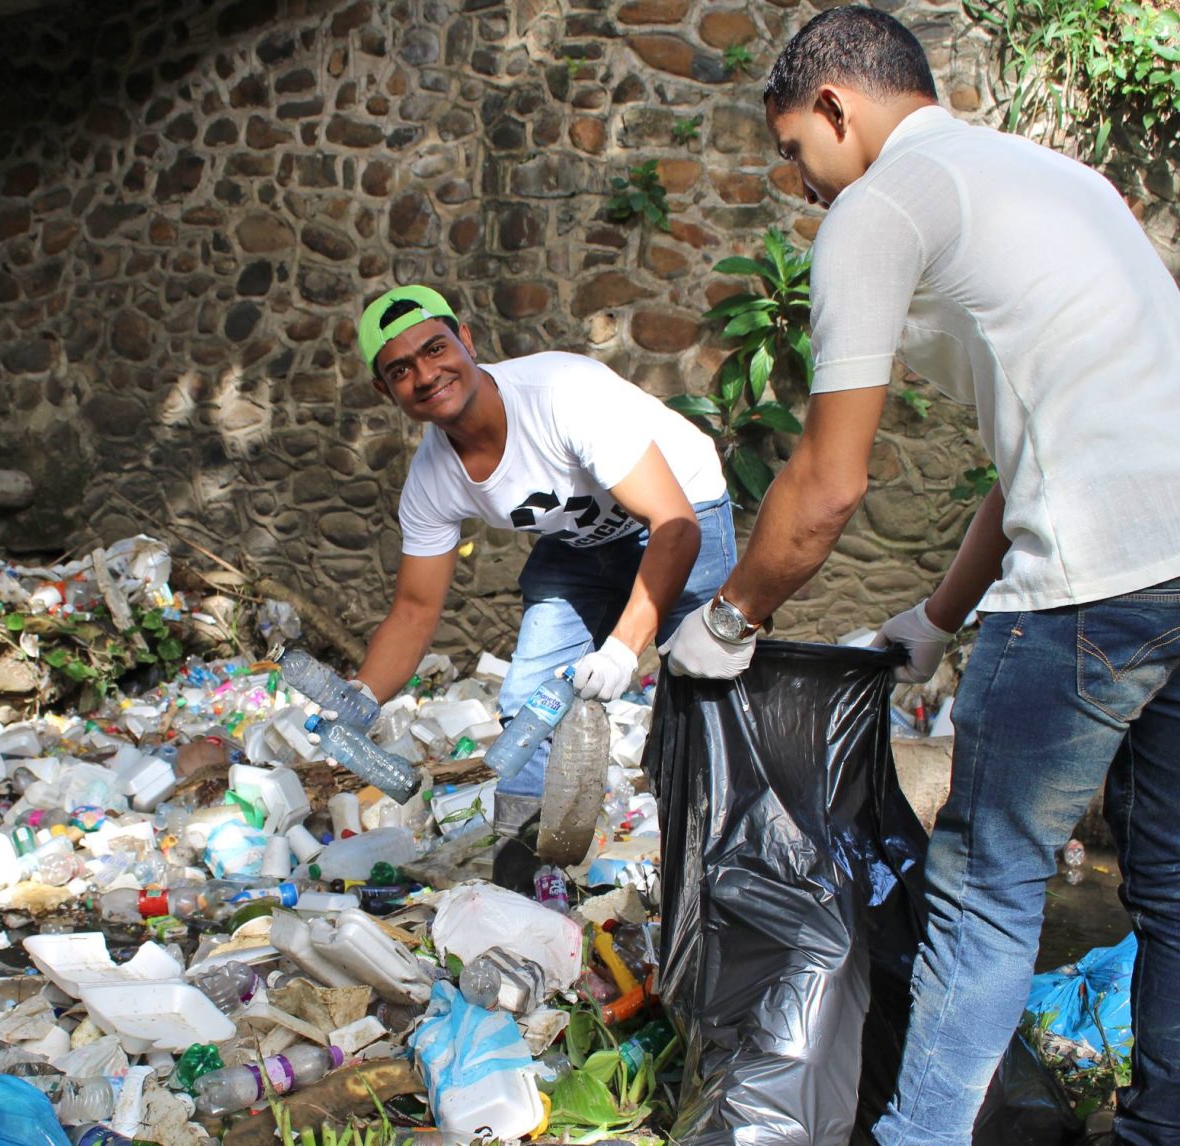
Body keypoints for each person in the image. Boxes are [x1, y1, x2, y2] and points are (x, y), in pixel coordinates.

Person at [660, 7, 1180, 1145]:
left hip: (1092, 592)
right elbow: (1049, 457)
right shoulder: (1062, 185)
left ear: (836, 106)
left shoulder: (882, 204)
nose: (800, 184)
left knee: (985, 889)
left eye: (795, 149)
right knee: (1177, 886)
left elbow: (827, 482)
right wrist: (937, 617)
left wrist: (731, 618)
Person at [350, 284, 731, 860]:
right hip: (577, 539)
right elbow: (413, 612)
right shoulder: (431, 480)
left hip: (681, 507)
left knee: (703, 686)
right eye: (401, 370)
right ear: (385, 389)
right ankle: (531, 861)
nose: (426, 375)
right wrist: (359, 698)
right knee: (531, 699)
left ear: (466, 340)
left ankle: (721, 852)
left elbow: (673, 524)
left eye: (435, 349)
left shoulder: (560, 393)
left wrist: (622, 651)